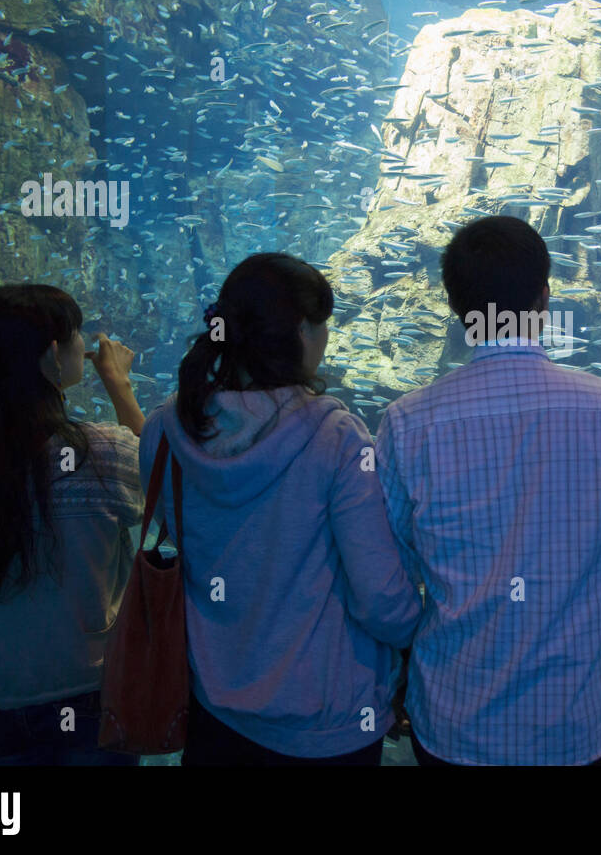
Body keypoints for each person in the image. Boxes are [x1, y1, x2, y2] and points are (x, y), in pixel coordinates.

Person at [376, 214, 601, 766]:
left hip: (453, 725)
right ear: (544, 298)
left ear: (456, 308)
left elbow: (390, 581)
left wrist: (406, 669)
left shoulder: (406, 423)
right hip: (580, 724)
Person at [140, 253, 421, 766]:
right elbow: (378, 594)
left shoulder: (163, 431)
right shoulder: (335, 437)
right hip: (323, 724)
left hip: (214, 712)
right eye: (324, 325)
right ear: (300, 331)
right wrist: (419, 636)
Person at [0, 284, 146, 765]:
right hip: (91, 705)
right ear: (55, 353)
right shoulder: (103, 452)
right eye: (78, 335)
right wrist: (118, 385)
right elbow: (168, 481)